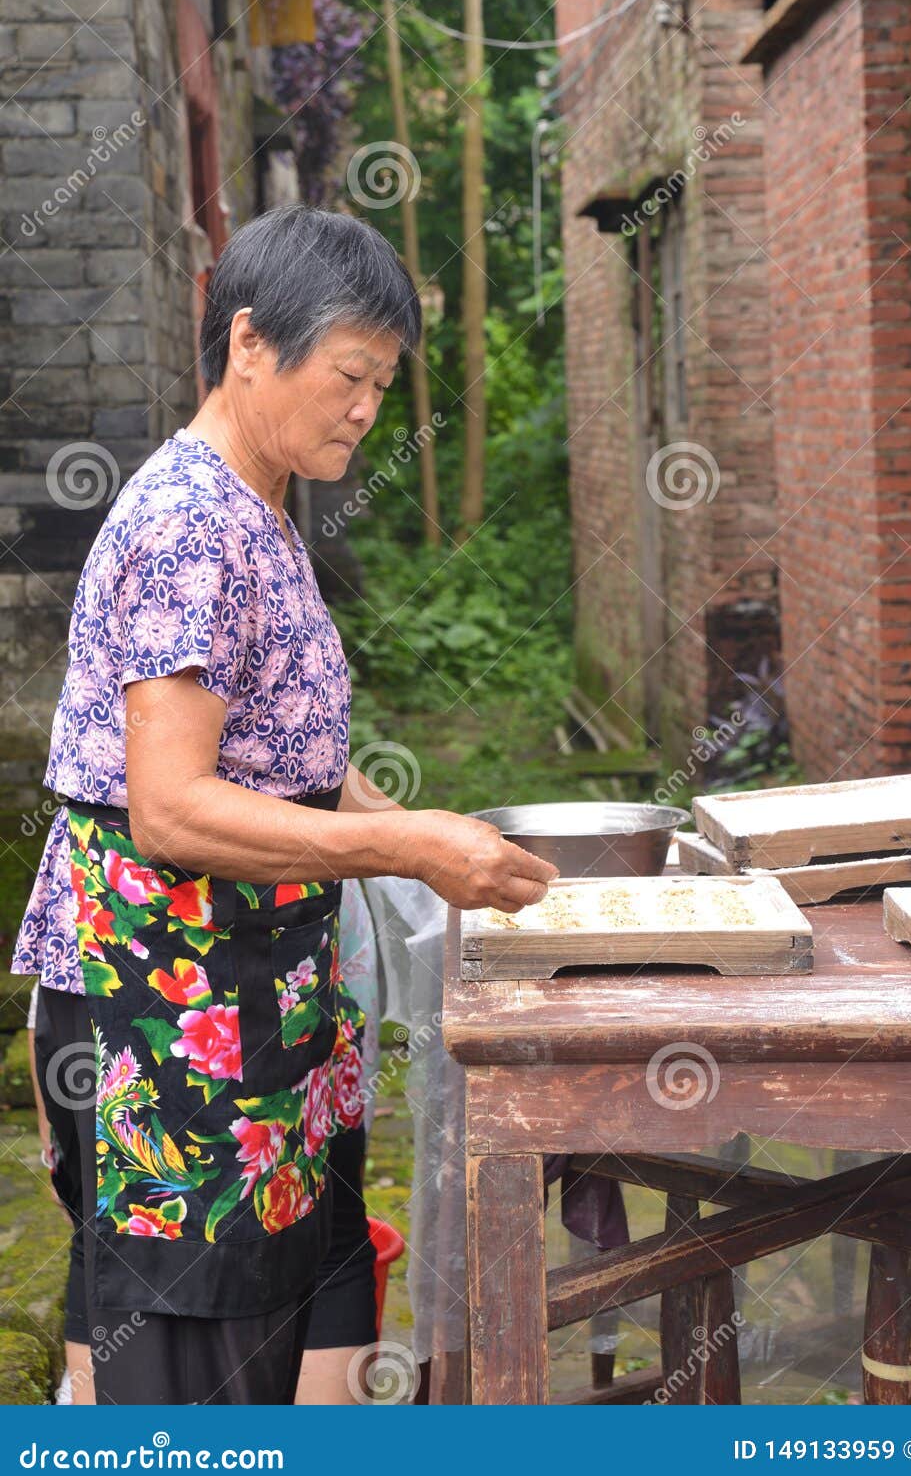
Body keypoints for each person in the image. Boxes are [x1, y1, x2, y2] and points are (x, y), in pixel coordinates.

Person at [13, 205, 557, 1406]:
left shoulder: (260, 511)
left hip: (261, 988)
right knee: (189, 1349)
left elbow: (285, 759)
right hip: (166, 1008)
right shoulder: (186, 523)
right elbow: (170, 809)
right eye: (351, 375)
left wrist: (428, 837)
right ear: (250, 342)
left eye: (383, 382)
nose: (368, 409)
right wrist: (402, 843)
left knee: (297, 1305)